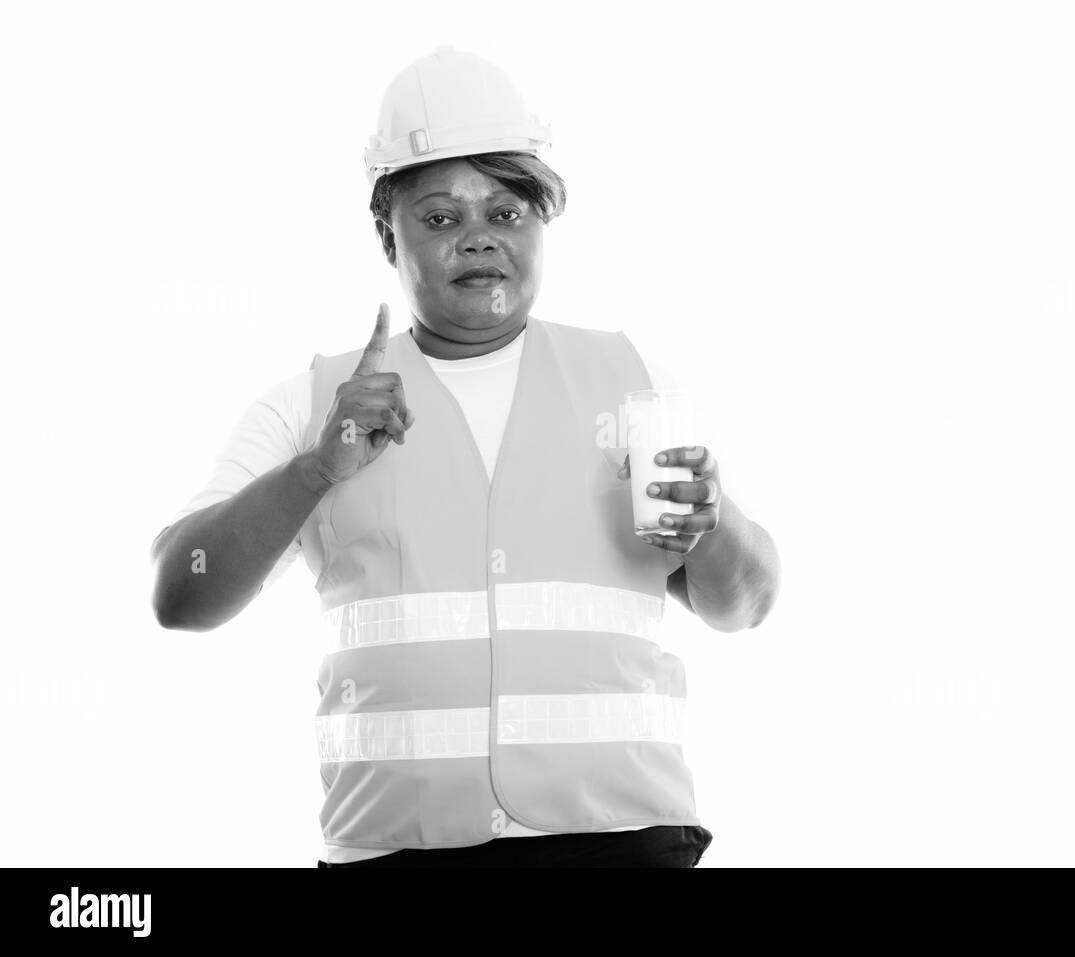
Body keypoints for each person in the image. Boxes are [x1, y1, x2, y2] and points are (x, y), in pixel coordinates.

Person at [150, 47, 780, 868]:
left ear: (541, 223)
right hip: (392, 856)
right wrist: (314, 471)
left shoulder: (638, 387)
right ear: (388, 233)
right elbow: (180, 591)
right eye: (442, 217)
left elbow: (749, 605)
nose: (480, 240)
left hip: (622, 851)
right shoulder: (313, 405)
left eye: (507, 213)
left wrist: (713, 524)